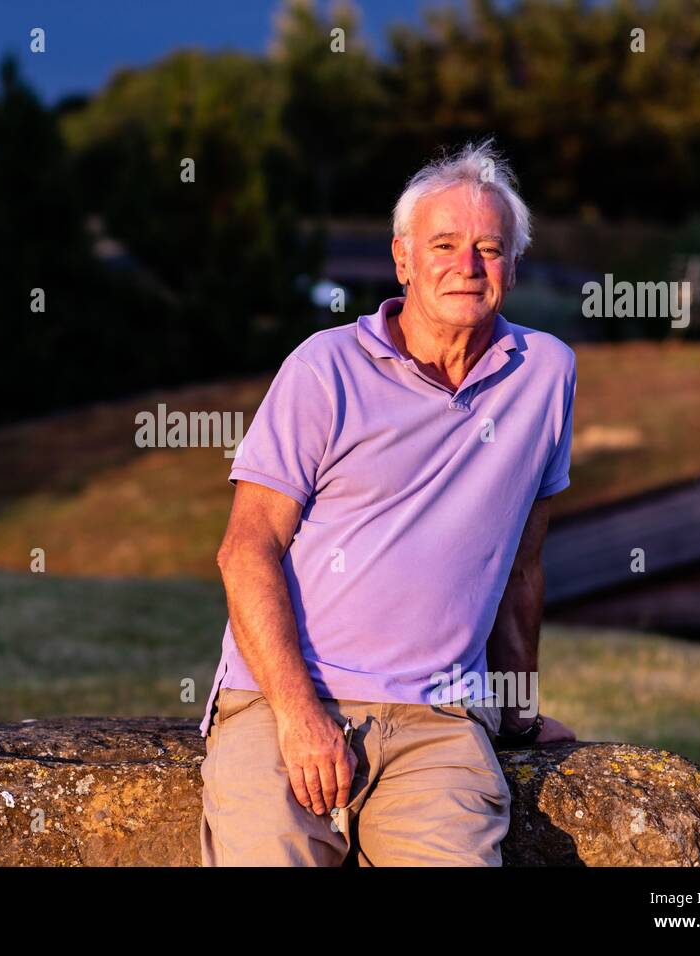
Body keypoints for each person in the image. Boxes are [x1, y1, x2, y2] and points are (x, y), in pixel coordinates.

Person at [199, 138, 577, 866]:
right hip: (282, 702)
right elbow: (246, 549)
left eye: (490, 248)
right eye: (444, 244)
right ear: (403, 260)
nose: (467, 266)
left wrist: (519, 715)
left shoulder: (546, 374)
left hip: (438, 722)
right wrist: (299, 714)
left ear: (514, 265)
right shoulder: (324, 368)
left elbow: (521, 571)